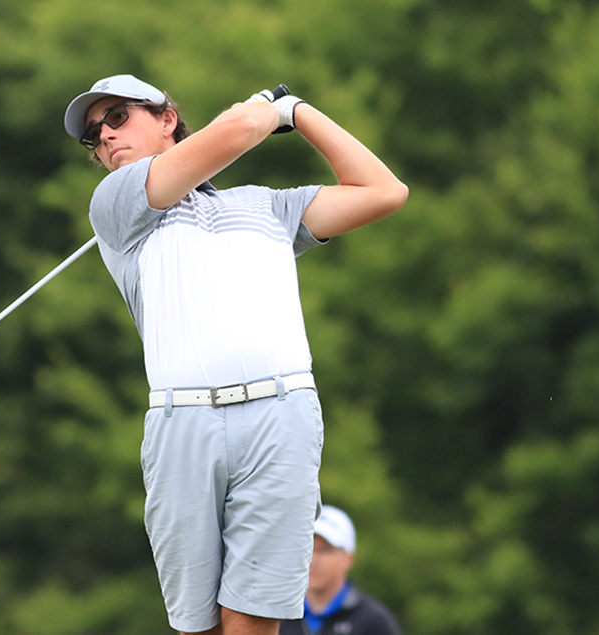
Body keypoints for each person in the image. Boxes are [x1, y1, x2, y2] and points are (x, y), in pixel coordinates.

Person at [63, 74, 408, 635]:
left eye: (118, 118)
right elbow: (244, 128)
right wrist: (262, 112)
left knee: (251, 622)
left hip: (282, 416)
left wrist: (299, 112)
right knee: (200, 626)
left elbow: (384, 192)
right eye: (94, 136)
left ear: (167, 118)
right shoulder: (116, 206)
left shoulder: (268, 208)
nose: (105, 138)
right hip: (184, 421)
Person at [279, 505, 403, 635]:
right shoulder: (280, 614)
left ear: (348, 559)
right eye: (308, 549)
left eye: (325, 551)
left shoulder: (374, 621)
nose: (313, 559)